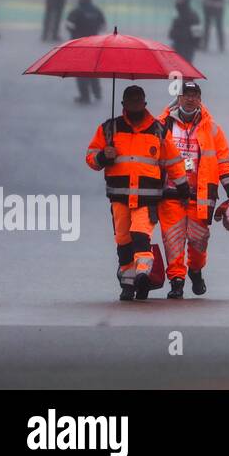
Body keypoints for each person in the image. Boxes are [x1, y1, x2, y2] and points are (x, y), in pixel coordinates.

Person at [85, 85, 186, 300]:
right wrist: (104, 156)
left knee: (141, 236)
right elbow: (91, 158)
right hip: (119, 197)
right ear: (123, 104)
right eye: (130, 102)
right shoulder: (109, 129)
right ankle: (128, 283)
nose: (134, 105)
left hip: (146, 198)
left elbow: (174, 162)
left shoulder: (159, 130)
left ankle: (143, 273)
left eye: (138, 101)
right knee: (123, 241)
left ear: (145, 103)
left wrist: (183, 187)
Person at [157, 82, 229, 299]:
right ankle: (176, 280)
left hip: (200, 197)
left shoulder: (212, 128)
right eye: (186, 94)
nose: (190, 99)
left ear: (200, 99)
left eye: (194, 95)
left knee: (198, 242)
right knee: (173, 239)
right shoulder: (162, 125)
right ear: (179, 98)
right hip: (170, 195)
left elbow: (223, 161)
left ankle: (195, 270)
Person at [64, 0, 106, 104]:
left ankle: (85, 96)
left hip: (80, 45)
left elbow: (69, 25)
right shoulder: (97, 11)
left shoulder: (76, 11)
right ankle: (97, 92)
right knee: (93, 69)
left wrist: (74, 34)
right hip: (94, 44)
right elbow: (103, 25)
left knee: (81, 71)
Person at [169, 0, 201, 65]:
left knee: (184, 64)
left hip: (187, 44)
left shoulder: (191, 15)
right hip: (178, 43)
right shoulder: (178, 14)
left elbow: (197, 30)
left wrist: (197, 42)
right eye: (177, 0)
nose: (177, 2)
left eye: (180, 0)